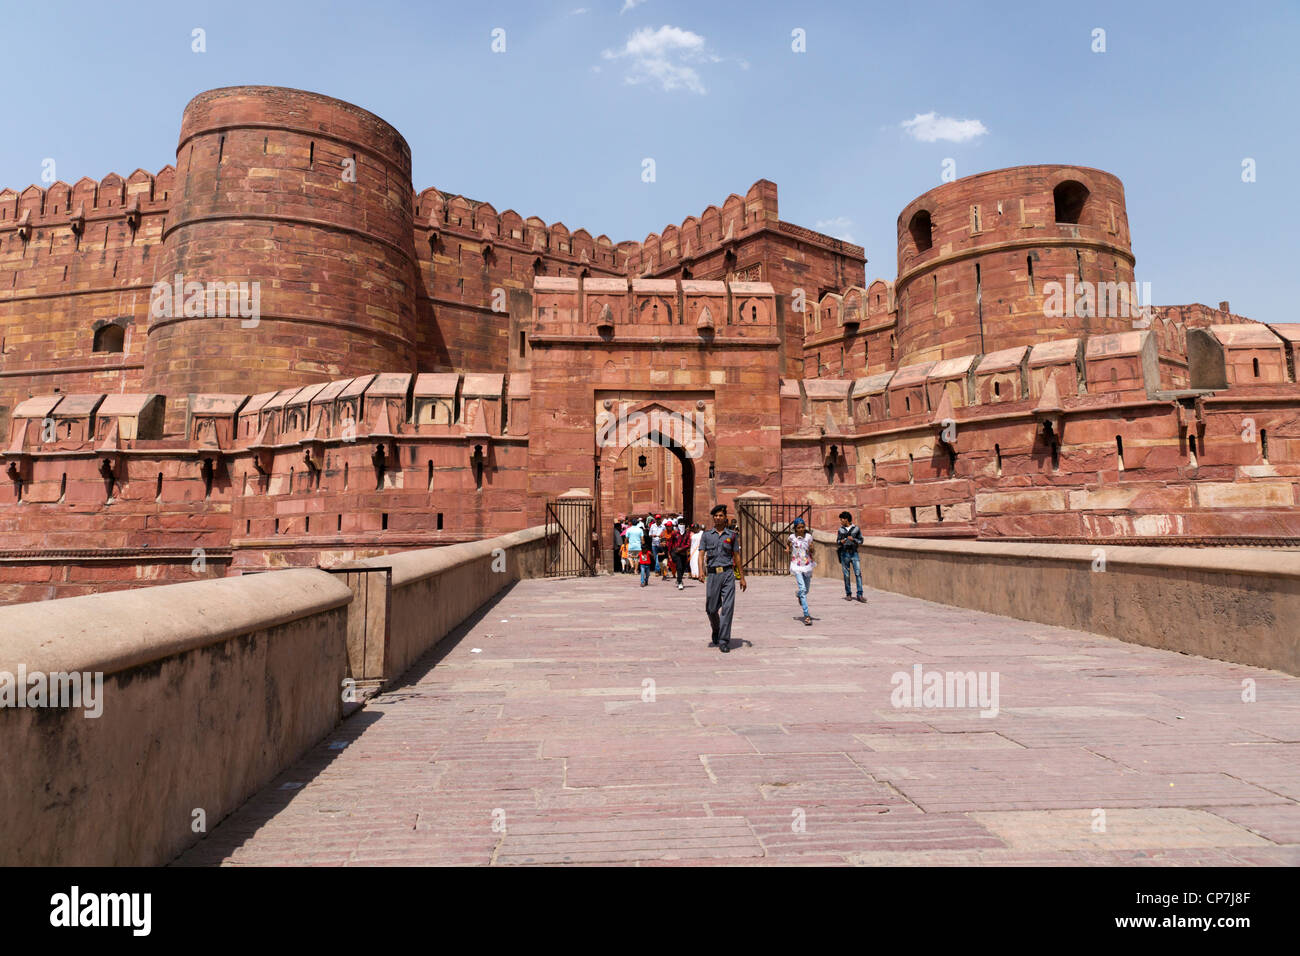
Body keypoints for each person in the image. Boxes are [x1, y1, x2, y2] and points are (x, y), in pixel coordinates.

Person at [695, 503, 746, 652]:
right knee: (711, 609)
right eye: (715, 516)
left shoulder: (731, 536)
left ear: (725, 518)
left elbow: (737, 557)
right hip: (712, 575)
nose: (718, 518)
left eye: (721, 516)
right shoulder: (706, 535)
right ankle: (716, 629)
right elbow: (701, 554)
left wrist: (742, 577)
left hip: (728, 574)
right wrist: (700, 571)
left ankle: (724, 640)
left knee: (728, 608)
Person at [784, 517, 816, 625]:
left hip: (806, 565)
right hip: (796, 566)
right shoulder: (792, 537)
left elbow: (813, 550)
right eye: (799, 527)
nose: (801, 529)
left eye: (803, 527)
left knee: (806, 590)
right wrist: (788, 549)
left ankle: (798, 594)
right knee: (803, 589)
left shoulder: (808, 537)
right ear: (795, 528)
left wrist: (811, 549)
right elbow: (788, 543)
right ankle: (806, 615)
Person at [837, 510, 866, 602]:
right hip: (844, 553)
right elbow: (837, 541)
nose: (841, 521)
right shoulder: (840, 530)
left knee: (858, 573)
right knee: (846, 575)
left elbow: (861, 540)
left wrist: (853, 539)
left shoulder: (856, 529)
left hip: (854, 552)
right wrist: (841, 541)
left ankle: (860, 594)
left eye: (842, 519)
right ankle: (848, 594)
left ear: (846, 519)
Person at [670, 519, 693, 590]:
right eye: (680, 524)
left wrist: (681, 549)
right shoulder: (674, 533)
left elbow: (688, 544)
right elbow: (671, 543)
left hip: (683, 553)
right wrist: (670, 553)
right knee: (679, 567)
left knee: (683, 568)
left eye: (683, 524)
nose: (681, 525)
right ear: (678, 525)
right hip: (676, 554)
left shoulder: (687, 534)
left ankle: (678, 579)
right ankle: (680, 582)